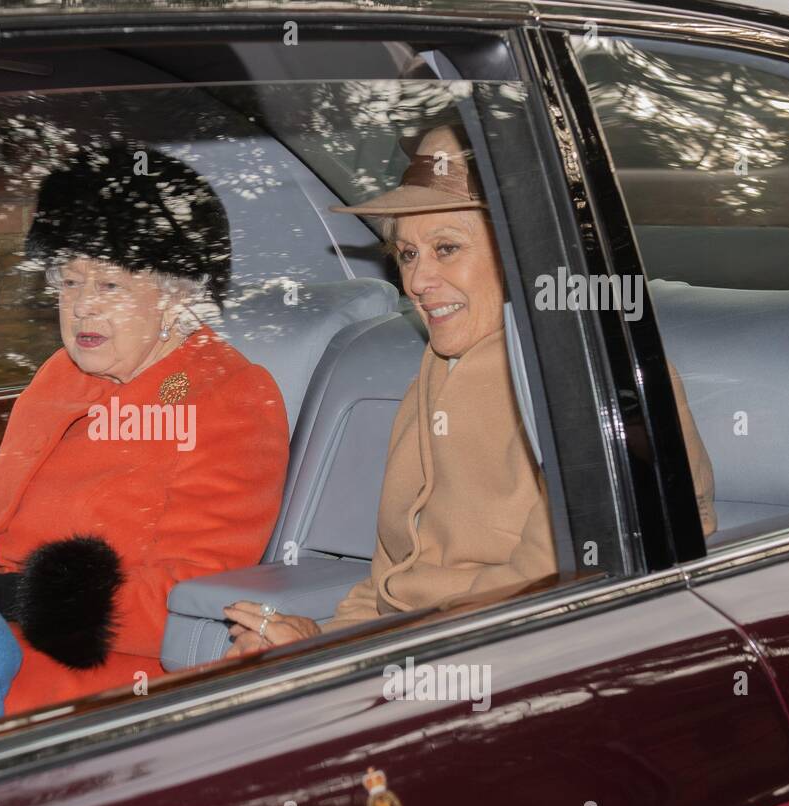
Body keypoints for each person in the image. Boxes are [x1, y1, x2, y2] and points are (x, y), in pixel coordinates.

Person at [223, 125, 716, 655]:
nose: (417, 281)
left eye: (447, 248)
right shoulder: (434, 371)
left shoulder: (591, 378)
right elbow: (395, 577)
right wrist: (317, 640)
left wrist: (346, 653)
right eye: (408, 254)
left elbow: (556, 583)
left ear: (523, 255)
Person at [0, 144, 290, 712]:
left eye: (110, 286)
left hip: (91, 671)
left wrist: (8, 598)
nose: (82, 308)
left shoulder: (231, 395)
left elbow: (190, 596)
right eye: (70, 283)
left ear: (175, 292)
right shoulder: (59, 373)